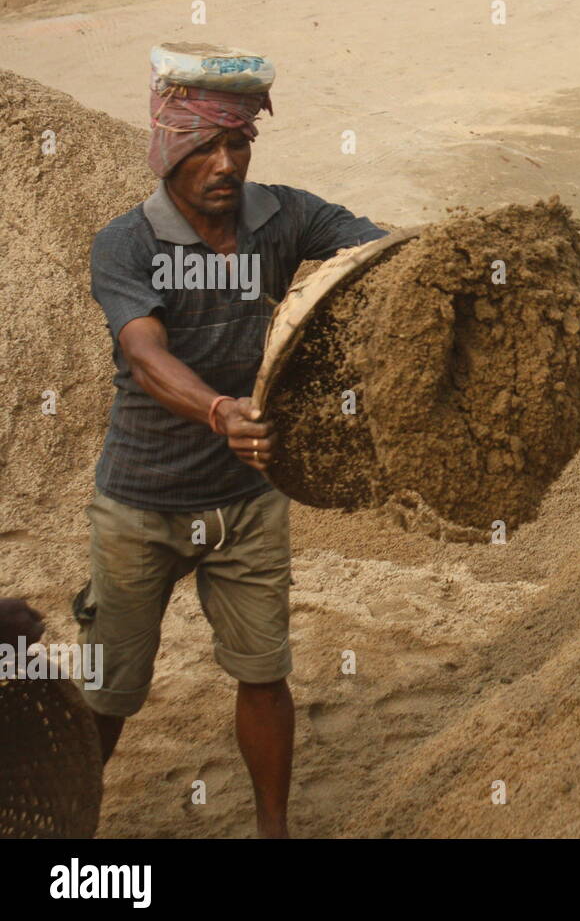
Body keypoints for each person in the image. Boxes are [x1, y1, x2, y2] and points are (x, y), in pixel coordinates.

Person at [76, 56, 387, 837]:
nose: (224, 164)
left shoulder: (284, 218)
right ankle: (68, 827)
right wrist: (219, 411)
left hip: (247, 503)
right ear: (163, 148)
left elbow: (378, 249)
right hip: (140, 501)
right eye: (203, 147)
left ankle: (273, 829)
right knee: (111, 687)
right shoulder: (127, 244)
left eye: (238, 143)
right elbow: (144, 355)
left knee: (263, 672)